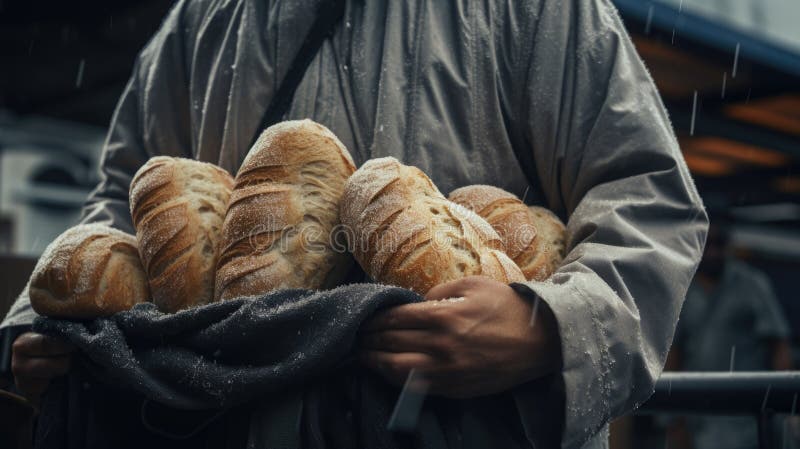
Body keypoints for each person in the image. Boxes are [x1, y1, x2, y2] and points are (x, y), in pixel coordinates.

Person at [1, 0, 708, 447]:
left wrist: (548, 326)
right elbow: (121, 202)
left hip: (456, 426)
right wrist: (51, 327)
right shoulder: (200, 23)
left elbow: (649, 201)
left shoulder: (537, 13)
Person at [665, 221, 792, 449]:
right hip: (698, 412)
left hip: (746, 412)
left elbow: (778, 345)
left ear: (729, 245)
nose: (713, 251)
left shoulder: (752, 285)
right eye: (707, 244)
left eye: (719, 243)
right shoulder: (682, 290)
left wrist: (784, 405)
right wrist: (674, 419)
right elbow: (673, 353)